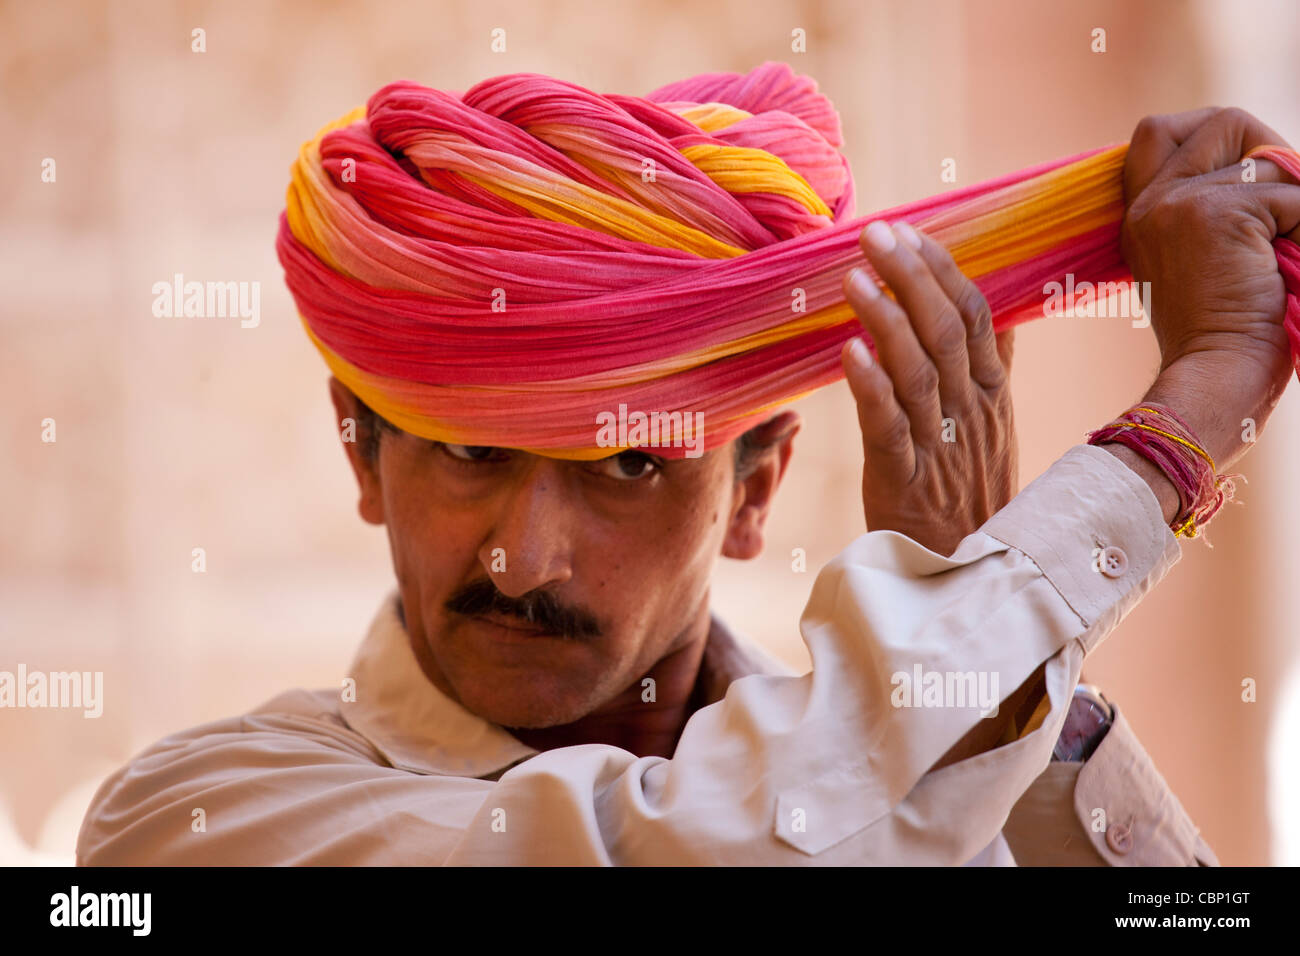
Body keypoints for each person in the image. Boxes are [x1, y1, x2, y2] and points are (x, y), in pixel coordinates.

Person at [77, 94, 1298, 864]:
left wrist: (996, 678)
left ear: (757, 484)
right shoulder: (195, 816)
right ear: (363, 451)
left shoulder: (940, 739)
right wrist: (1186, 417)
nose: (528, 555)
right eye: (470, 449)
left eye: (622, 461)